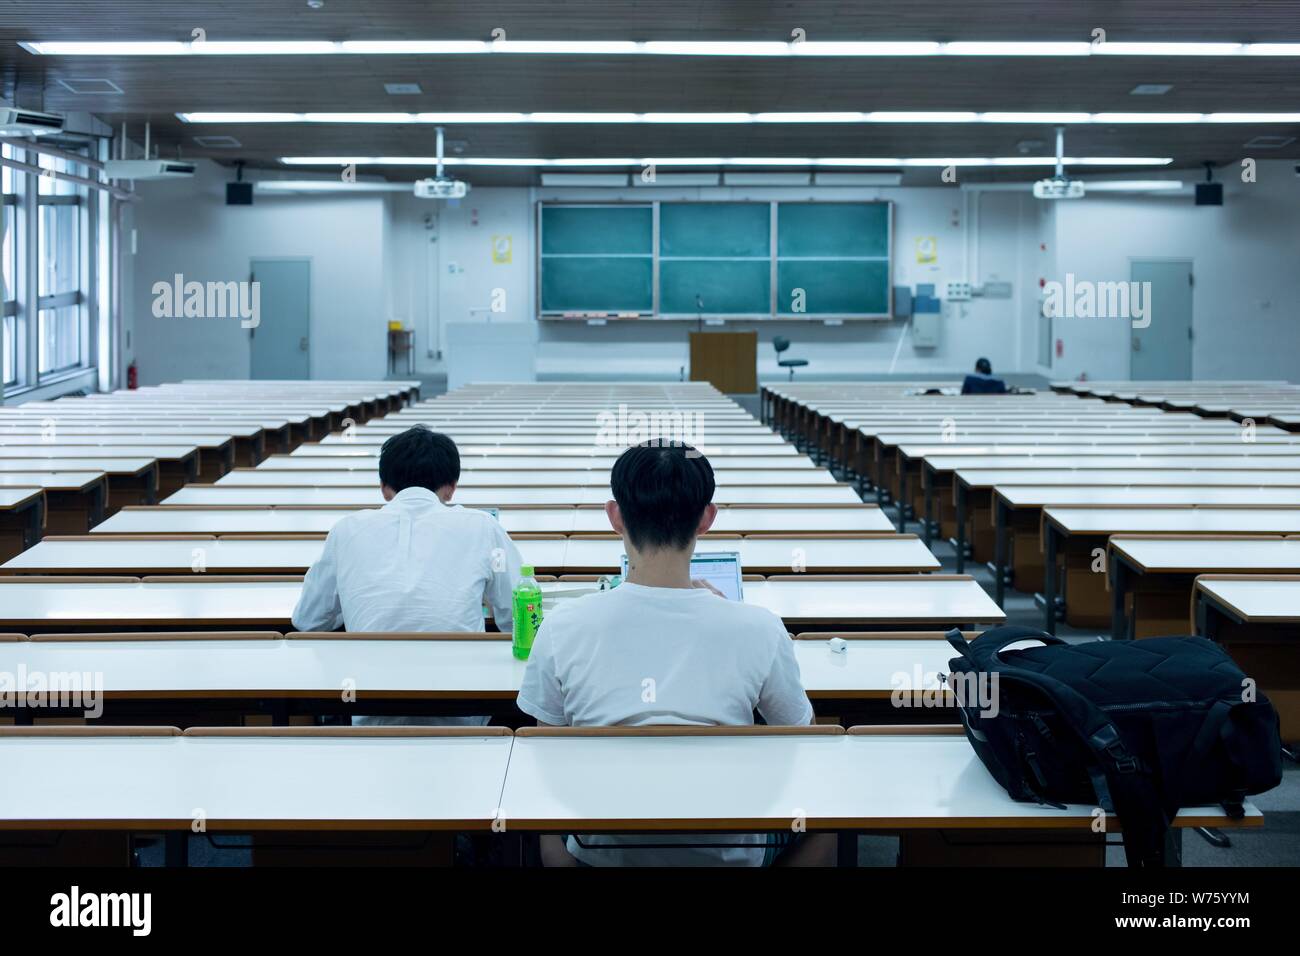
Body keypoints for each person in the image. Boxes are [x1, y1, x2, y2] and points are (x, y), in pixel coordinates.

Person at [517, 441, 832, 866]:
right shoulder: (758, 627)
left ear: (615, 516)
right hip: (731, 852)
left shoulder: (562, 626)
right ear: (707, 519)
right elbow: (803, 741)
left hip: (601, 851)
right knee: (830, 809)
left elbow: (546, 753)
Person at [292, 425, 523, 725]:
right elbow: (519, 620)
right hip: (463, 714)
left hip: (369, 713)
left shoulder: (346, 530)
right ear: (452, 486)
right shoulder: (482, 526)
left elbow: (308, 621)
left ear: (384, 488)